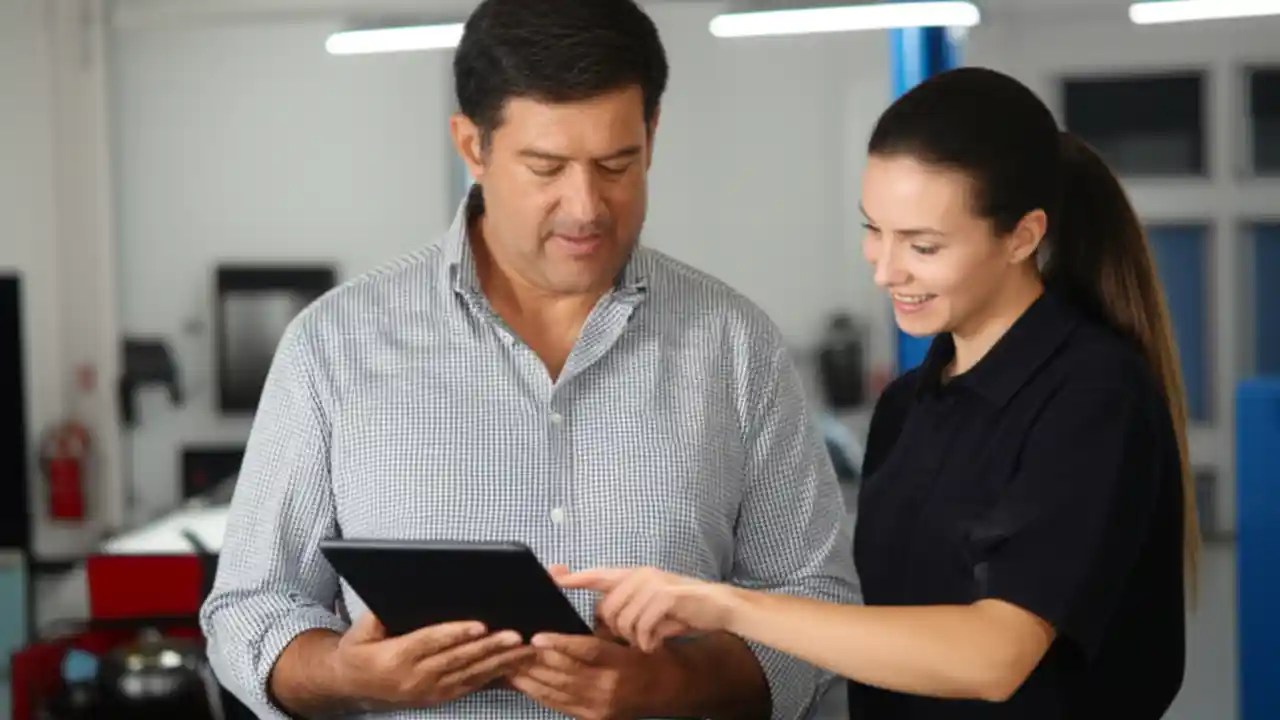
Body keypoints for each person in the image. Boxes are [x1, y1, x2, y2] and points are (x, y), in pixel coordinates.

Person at [198, 0, 859, 718]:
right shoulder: (332, 348)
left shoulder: (735, 347)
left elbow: (814, 599)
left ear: (653, 135)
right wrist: (347, 672)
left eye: (617, 164)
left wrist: (670, 685)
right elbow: (248, 608)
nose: (586, 207)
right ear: (471, 146)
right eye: (546, 167)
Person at [558, 66, 1196, 719]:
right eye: (874, 230)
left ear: (1023, 236)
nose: (887, 270)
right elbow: (887, 638)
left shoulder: (1094, 397)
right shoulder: (908, 406)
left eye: (922, 245)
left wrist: (726, 605)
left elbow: (994, 657)